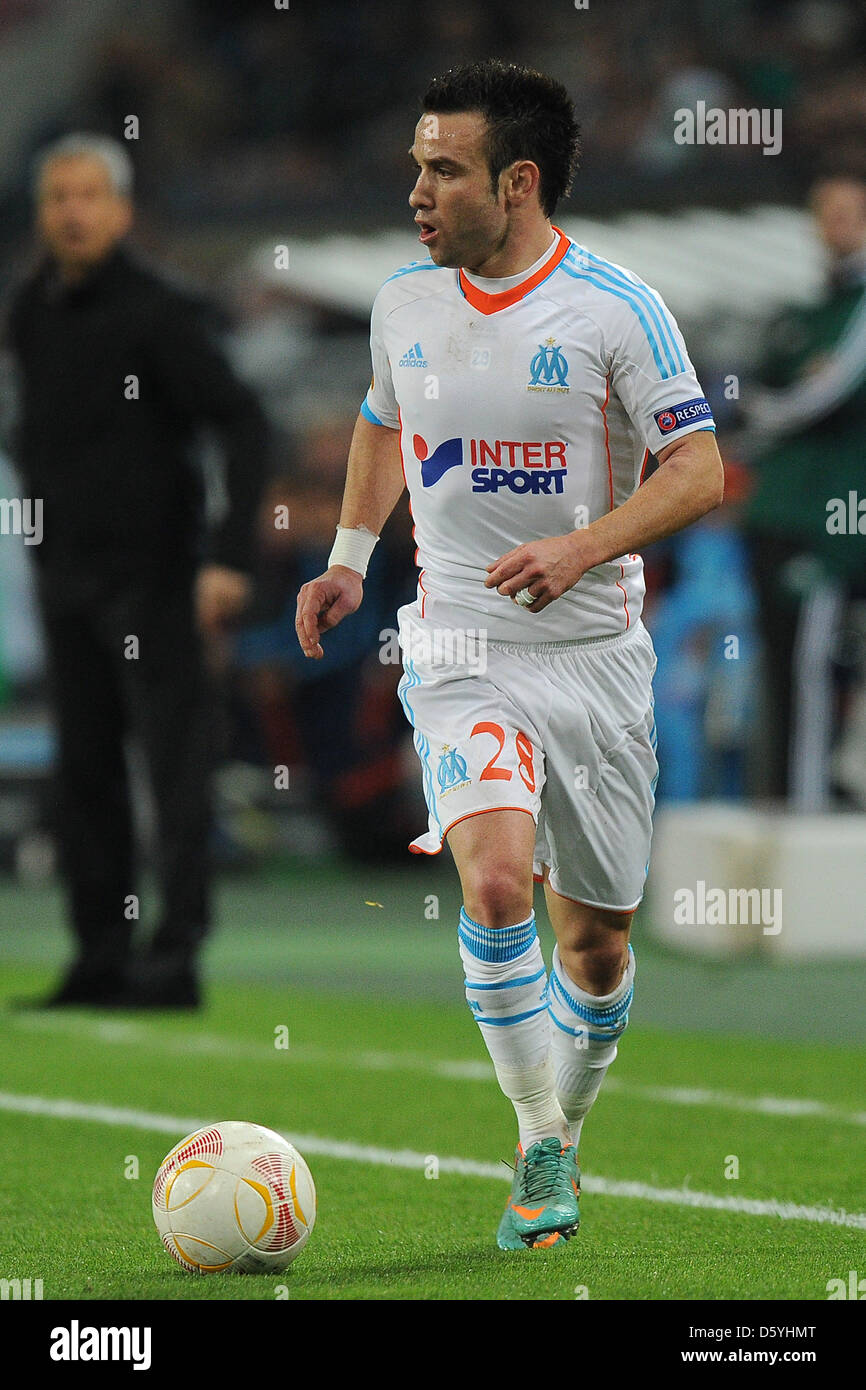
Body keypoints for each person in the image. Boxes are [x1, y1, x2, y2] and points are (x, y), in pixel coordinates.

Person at [296, 61, 723, 1249]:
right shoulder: (402, 304)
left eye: (443, 170)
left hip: (594, 658)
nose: (417, 192)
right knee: (492, 882)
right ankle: (536, 1136)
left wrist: (582, 546)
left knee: (595, 948)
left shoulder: (612, 310)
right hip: (458, 641)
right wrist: (344, 555)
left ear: (517, 182)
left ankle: (566, 1128)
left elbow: (697, 469)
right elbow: (386, 421)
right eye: (415, 167)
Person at [4, 133, 268, 1008]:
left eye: (88, 196)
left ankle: (176, 957)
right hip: (66, 575)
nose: (71, 212)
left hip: (155, 577)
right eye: (56, 198)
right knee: (85, 772)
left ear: (120, 211)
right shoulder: (31, 309)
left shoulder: (160, 310)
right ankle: (100, 954)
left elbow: (243, 421)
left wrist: (228, 558)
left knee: (173, 769)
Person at [743, 171, 866, 809]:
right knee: (787, 664)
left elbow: (802, 397)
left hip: (834, 520)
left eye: (847, 211)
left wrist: (771, 406)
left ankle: (808, 809)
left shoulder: (852, 309)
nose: (833, 225)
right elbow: (753, 389)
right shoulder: (805, 311)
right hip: (781, 512)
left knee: (815, 666)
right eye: (824, 212)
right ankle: (789, 803)